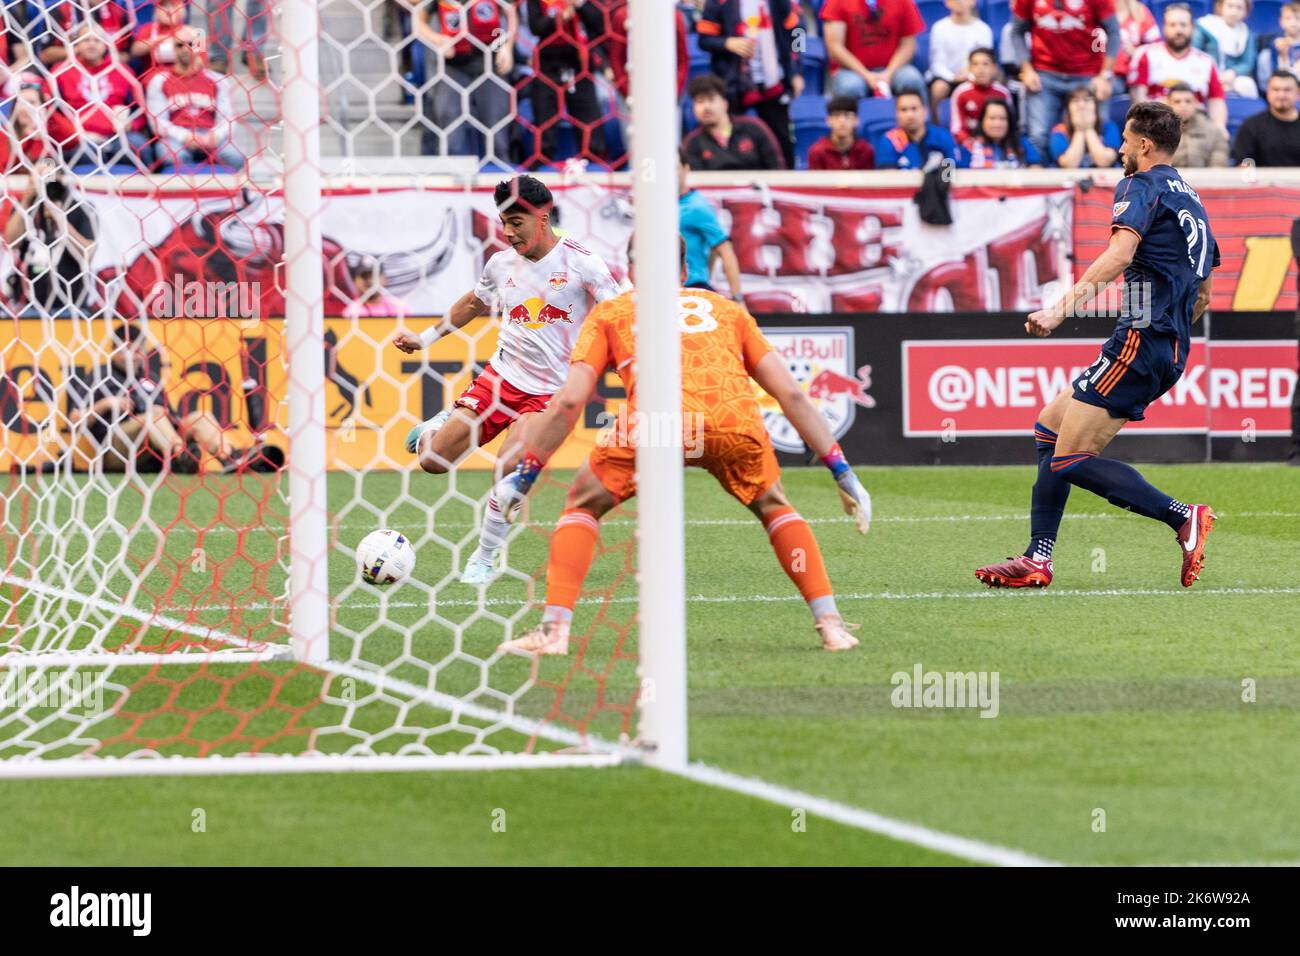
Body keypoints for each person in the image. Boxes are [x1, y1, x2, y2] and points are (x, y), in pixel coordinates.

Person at [490, 240, 873, 656]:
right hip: (730, 422)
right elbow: (792, 396)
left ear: (631, 272)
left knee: (582, 504)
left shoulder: (613, 312)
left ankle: (554, 631)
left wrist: (525, 476)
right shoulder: (726, 310)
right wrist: (842, 471)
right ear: (685, 269)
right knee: (775, 506)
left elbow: (568, 401)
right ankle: (832, 626)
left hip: (654, 426)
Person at [976, 101, 1219, 591]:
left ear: (1145, 146)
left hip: (1140, 342)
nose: (1119, 148)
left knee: (1068, 458)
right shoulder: (1192, 199)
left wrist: (1058, 309)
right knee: (1050, 429)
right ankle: (1037, 557)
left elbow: (1119, 254)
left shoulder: (1140, 185)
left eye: (1126, 140)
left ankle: (1182, 516)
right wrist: (1167, 327)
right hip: (1164, 344)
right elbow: (1206, 294)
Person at [393, 176, 619, 585]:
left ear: (543, 216)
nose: (508, 232)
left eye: (516, 221)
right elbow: (474, 302)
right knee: (432, 462)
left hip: (552, 394)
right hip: (501, 379)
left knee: (508, 470)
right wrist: (424, 339)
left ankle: (484, 558)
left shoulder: (584, 264)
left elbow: (619, 317)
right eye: (503, 222)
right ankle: (440, 423)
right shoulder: (500, 264)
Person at [70, 321, 260, 474]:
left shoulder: (150, 378)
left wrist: (166, 415)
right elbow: (74, 422)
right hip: (116, 449)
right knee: (153, 416)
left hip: (154, 446)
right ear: (113, 350)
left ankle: (230, 455)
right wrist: (106, 404)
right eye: (125, 349)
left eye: (136, 349)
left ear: (144, 351)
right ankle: (180, 457)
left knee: (199, 416)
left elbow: (172, 417)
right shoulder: (100, 376)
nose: (131, 355)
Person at [694, 0, 803, 170]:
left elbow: (798, 32)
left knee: (783, 142)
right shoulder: (718, 2)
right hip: (733, 86)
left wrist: (796, 70)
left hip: (773, 84)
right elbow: (704, 40)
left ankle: (784, 187)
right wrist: (728, 43)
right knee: (727, 141)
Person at [1011, 0, 1121, 158]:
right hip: (1044, 74)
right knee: (1038, 136)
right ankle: (1041, 178)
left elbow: (1114, 32)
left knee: (1097, 131)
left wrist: (1105, 75)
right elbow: (1016, 31)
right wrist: (1026, 70)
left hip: (1088, 75)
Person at [415, 0, 515, 163]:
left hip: (491, 62)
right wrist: (438, 39)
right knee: (451, 129)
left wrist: (507, 46)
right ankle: (457, 180)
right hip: (454, 65)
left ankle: (501, 178)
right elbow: (418, 21)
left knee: (498, 132)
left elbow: (510, 13)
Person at [47, 23, 149, 169]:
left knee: (138, 145)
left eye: (97, 40)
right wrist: (75, 133)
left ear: (105, 44)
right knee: (86, 152)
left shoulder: (122, 71)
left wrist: (131, 124)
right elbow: (49, 110)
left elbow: (139, 110)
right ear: (77, 44)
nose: (92, 45)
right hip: (79, 138)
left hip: (117, 137)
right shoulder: (61, 71)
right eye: (86, 40)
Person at [2, 157, 96, 314]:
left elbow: (87, 253)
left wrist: (60, 218)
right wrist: (27, 199)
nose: (46, 183)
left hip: (71, 305)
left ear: (61, 178)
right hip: (29, 305)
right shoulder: (26, 208)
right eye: (40, 177)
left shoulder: (79, 208)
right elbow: (11, 241)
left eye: (51, 177)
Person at [145, 25, 244, 171]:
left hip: (210, 137)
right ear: (172, 48)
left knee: (235, 158)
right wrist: (185, 137)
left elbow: (229, 118)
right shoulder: (159, 81)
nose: (185, 49)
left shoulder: (218, 80)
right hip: (177, 138)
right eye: (179, 45)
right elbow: (157, 122)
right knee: (171, 156)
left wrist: (215, 136)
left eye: (191, 43)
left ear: (199, 46)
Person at [523, 0, 607, 166]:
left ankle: (592, 160)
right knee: (544, 113)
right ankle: (543, 162)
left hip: (579, 63)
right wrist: (559, 18)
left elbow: (600, 24)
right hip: (548, 63)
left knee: (587, 114)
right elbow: (536, 27)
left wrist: (580, 5)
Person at [1130, 4, 1228, 131]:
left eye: (1183, 25)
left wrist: (1219, 127)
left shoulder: (1206, 62)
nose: (1178, 30)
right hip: (1156, 125)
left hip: (1196, 127)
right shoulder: (1145, 55)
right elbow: (1138, 100)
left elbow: (1216, 102)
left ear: (1192, 28)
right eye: (1172, 25)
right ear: (1164, 28)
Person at [820, 0, 927, 99]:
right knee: (851, 87)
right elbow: (835, 48)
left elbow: (908, 45)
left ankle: (924, 118)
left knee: (911, 80)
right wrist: (866, 75)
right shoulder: (837, 2)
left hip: (893, 68)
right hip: (850, 70)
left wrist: (888, 74)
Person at [681, 74, 786, 171]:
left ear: (725, 104)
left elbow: (777, 167)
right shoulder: (692, 143)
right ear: (694, 109)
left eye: (711, 100)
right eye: (700, 101)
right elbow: (695, 183)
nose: (706, 107)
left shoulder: (754, 127)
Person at [678, 150, 743, 299]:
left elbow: (725, 250)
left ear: (686, 169)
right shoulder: (656, 207)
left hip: (692, 289)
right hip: (664, 289)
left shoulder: (696, 207)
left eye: (673, 167)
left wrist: (738, 299)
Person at [927, 0, 994, 118]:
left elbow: (986, 60)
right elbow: (937, 64)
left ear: (973, 2)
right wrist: (953, 77)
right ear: (947, 2)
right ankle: (936, 125)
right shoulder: (939, 28)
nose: (959, 1)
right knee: (938, 88)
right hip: (948, 78)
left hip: (975, 75)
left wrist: (970, 74)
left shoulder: (983, 29)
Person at [875, 89, 959, 169]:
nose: (910, 115)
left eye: (914, 108)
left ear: (925, 111)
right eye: (903, 110)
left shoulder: (943, 137)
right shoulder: (889, 140)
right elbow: (888, 178)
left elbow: (956, 170)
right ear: (896, 114)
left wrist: (942, 176)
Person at [1232, 69, 1300, 165]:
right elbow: (1243, 165)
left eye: (1287, 90)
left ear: (1297, 93)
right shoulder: (1251, 126)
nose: (1281, 95)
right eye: (1276, 89)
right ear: (1268, 92)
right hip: (1263, 180)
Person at [1193, 0, 1259, 97]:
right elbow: (1194, 52)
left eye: (1239, 8)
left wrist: (1234, 72)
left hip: (1232, 77)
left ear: (1246, 12)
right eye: (1230, 6)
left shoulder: (1245, 32)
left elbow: (1247, 62)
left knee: (1247, 84)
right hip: (1206, 73)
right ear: (1221, 6)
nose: (1234, 12)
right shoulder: (1205, 26)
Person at [949, 47, 1012, 147]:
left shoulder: (1003, 93)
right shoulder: (960, 93)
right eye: (975, 64)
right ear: (969, 68)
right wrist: (971, 144)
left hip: (999, 144)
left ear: (994, 68)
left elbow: (1010, 124)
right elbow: (956, 129)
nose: (980, 69)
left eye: (985, 64)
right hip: (970, 145)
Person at [1049, 86, 1121, 167]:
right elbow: (1069, 165)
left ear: (1095, 106)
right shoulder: (1059, 130)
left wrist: (1089, 128)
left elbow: (1105, 162)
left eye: (1087, 100)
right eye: (1075, 101)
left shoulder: (1109, 126)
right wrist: (1079, 130)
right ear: (1068, 108)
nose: (1081, 106)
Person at [963, 98, 1042, 167]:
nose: (997, 124)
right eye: (992, 118)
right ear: (982, 120)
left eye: (1003, 119)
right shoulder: (970, 146)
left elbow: (1036, 169)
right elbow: (954, 175)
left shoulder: (1022, 143)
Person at [1167, 82, 1229, 166]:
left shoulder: (1213, 131)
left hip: (1205, 178)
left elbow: (1218, 166)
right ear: (1168, 103)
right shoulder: (1158, 131)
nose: (1183, 105)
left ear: (1195, 103)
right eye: (1177, 102)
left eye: (1188, 101)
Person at [807, 95, 876, 169]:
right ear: (828, 120)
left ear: (856, 120)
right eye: (836, 116)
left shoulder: (865, 150)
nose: (842, 121)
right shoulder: (817, 151)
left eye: (848, 116)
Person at [1113, 0, 1161, 93]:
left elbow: (1156, 48)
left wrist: (1137, 52)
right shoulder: (1099, 8)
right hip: (1109, 76)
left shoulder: (1140, 11)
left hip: (1135, 75)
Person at [344, 257, 410, 318]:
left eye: (374, 276)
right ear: (355, 281)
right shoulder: (353, 312)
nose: (369, 281)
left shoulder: (398, 308)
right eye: (364, 276)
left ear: (385, 279)